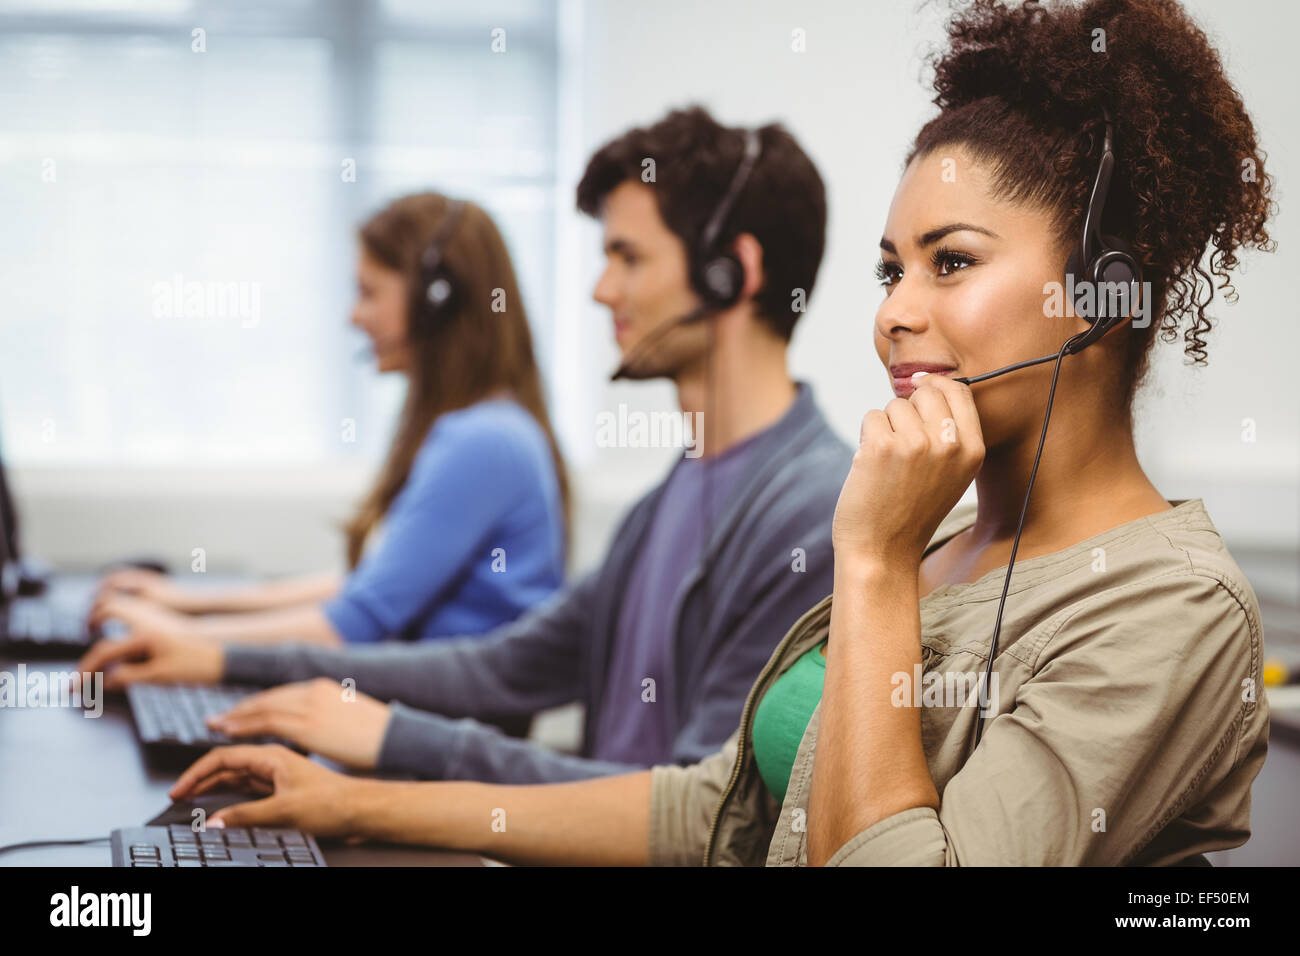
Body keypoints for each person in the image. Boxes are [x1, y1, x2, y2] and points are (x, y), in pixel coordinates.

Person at [134, 0, 1274, 867]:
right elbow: (708, 807)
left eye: (951, 262)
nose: (892, 311)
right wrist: (349, 795)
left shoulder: (1160, 610)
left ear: (1105, 292)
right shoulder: (933, 544)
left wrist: (869, 561)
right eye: (889, 269)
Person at [79, 106, 853, 786]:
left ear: (733, 272)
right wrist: (227, 661)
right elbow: (504, 666)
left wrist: (389, 741)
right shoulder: (675, 495)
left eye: (628, 257)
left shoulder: (810, 511)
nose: (600, 290)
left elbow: (694, 808)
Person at [88, 195, 569, 650]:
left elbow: (354, 624)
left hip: (443, 721)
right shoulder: (485, 428)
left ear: (435, 304)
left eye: (368, 293)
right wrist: (188, 605)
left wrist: (181, 636)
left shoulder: (482, 442)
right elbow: (370, 586)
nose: (353, 316)